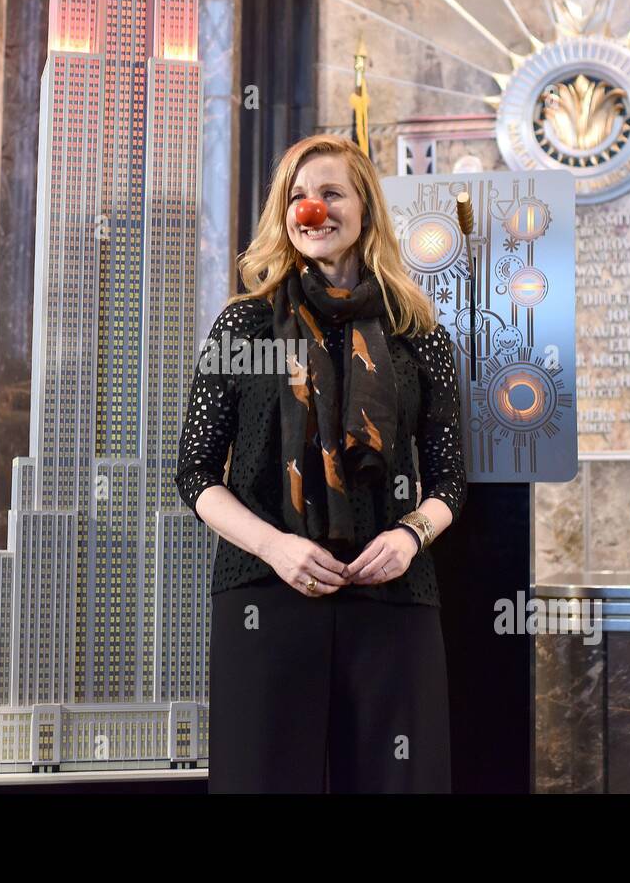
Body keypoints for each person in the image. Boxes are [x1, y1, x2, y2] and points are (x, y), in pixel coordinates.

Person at [174, 133, 466, 793]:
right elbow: (195, 471)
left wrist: (408, 534)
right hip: (267, 595)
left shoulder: (417, 333)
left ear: (364, 209)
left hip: (391, 594)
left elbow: (449, 479)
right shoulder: (243, 328)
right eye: (297, 198)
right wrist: (276, 547)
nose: (314, 210)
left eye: (331, 194)